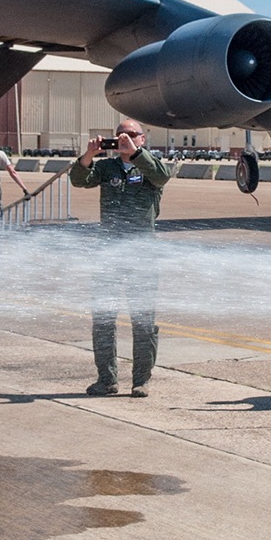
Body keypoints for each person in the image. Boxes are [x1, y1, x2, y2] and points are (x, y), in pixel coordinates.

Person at [68, 118, 173, 397]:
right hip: (108, 254)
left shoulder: (152, 165)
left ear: (141, 138)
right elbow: (78, 180)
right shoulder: (107, 167)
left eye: (130, 135)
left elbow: (163, 177)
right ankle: (106, 379)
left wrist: (136, 155)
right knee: (103, 319)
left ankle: (141, 380)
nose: (123, 140)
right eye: (119, 136)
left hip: (142, 255)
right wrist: (89, 156)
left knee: (143, 320)